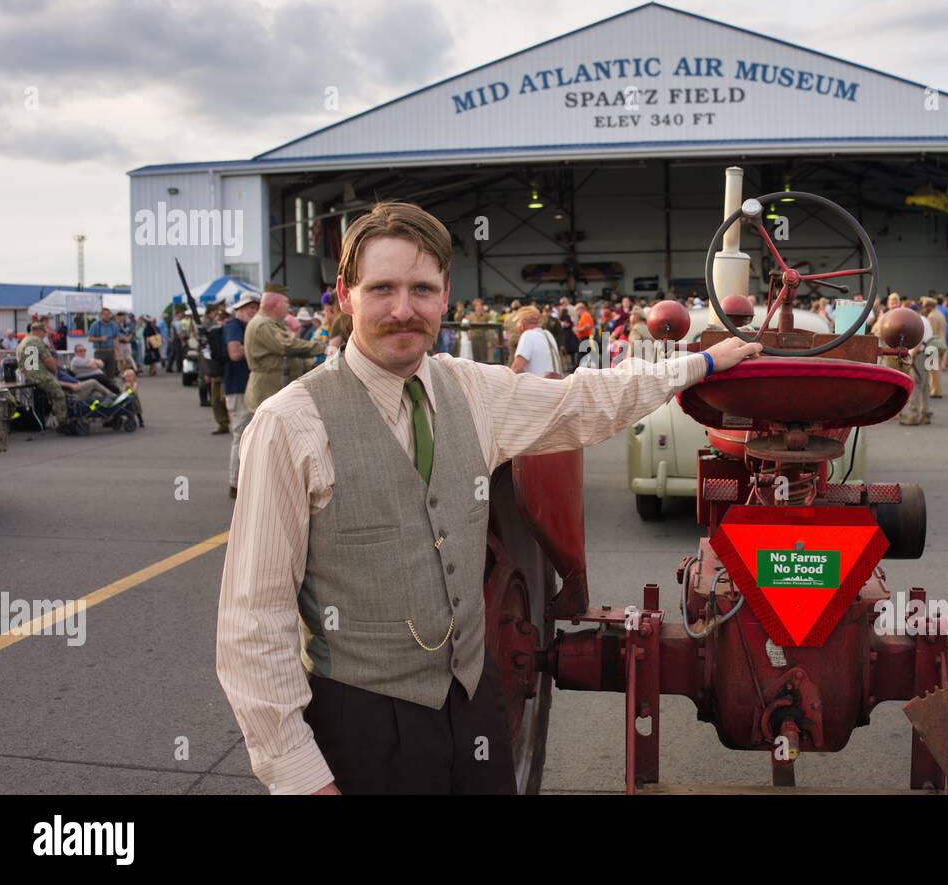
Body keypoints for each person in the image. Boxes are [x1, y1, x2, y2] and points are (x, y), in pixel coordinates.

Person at [215, 201, 761, 795]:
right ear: (345, 296)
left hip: (476, 702)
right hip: (362, 722)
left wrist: (698, 364)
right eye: (382, 289)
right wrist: (297, 775)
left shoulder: (470, 389)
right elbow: (254, 618)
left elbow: (584, 401)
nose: (404, 310)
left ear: (444, 295)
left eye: (421, 289)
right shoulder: (288, 424)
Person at [242, 284, 326, 413]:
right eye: (286, 302)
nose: (289, 306)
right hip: (268, 391)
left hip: (273, 389)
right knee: (269, 431)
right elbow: (288, 346)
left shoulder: (272, 323)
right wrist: (324, 348)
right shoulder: (263, 324)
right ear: (275, 304)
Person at [222, 292, 259, 499]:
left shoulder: (244, 326)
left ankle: (242, 481)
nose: (251, 311)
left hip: (245, 386)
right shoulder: (233, 326)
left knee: (248, 434)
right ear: (239, 309)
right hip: (237, 387)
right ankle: (235, 483)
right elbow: (234, 353)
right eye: (248, 308)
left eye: (254, 307)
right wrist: (257, 347)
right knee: (240, 434)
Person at [15, 321, 69, 431]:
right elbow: (48, 360)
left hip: (26, 375)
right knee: (59, 394)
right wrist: (54, 372)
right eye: (44, 332)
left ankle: (50, 417)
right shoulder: (37, 341)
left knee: (48, 395)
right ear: (37, 331)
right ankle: (62, 422)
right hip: (39, 375)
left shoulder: (22, 342)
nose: (45, 334)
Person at [509, 306, 563, 377]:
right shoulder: (548, 334)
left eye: (517, 322)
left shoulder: (527, 335)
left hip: (538, 385)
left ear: (522, 323)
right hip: (554, 384)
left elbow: (516, 368)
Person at [203, 304, 230, 434]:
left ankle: (231, 422)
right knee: (216, 400)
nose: (221, 321)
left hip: (226, 370)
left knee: (226, 399)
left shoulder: (228, 331)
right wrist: (207, 371)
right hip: (215, 370)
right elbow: (205, 353)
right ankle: (222, 423)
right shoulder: (212, 332)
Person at [921, 297, 946, 398]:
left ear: (930, 306)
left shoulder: (931, 317)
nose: (924, 308)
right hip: (941, 343)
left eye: (925, 306)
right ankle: (937, 389)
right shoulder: (940, 314)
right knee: (936, 369)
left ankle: (935, 391)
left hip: (933, 344)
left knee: (933, 369)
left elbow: (930, 333)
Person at [88, 307, 120, 382]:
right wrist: (100, 339)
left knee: (111, 374)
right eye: (105, 314)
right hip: (99, 352)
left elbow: (116, 338)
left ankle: (112, 391)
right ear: (101, 315)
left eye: (108, 314)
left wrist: (117, 350)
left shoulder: (113, 325)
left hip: (110, 351)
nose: (107, 316)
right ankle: (103, 391)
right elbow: (90, 339)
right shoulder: (95, 325)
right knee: (100, 374)